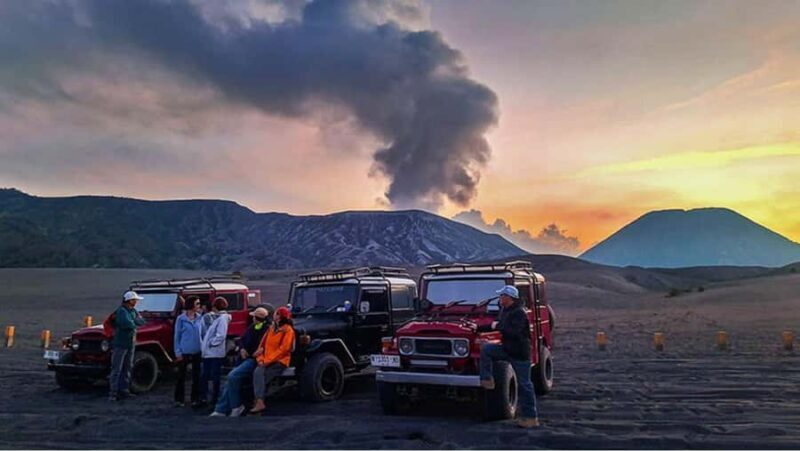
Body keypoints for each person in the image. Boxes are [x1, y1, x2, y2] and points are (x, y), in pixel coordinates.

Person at [479, 285, 539, 428]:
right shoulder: (505, 310)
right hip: (507, 349)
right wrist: (478, 328)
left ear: (509, 298)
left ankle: (531, 418)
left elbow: (513, 332)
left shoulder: (519, 313)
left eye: (502, 296)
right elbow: (498, 325)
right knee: (486, 349)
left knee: (525, 385)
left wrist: (497, 326)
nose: (499, 298)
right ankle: (487, 379)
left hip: (519, 353)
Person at [209, 304, 274, 417]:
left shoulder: (267, 330)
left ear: (256, 318)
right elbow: (242, 339)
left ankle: (234, 406)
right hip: (246, 358)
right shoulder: (252, 327)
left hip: (254, 360)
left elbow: (265, 346)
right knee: (231, 380)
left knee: (232, 376)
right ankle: (222, 409)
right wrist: (243, 348)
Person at [250, 306, 295, 414]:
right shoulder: (271, 329)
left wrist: (266, 361)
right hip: (266, 360)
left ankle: (258, 401)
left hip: (280, 361)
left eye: (275, 313)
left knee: (262, 377)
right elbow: (262, 347)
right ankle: (259, 401)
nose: (273, 315)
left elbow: (283, 350)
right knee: (258, 373)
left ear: (279, 317)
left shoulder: (288, 331)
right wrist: (260, 359)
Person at [109, 290, 147, 402]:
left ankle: (124, 390)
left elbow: (141, 322)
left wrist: (134, 322)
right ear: (130, 300)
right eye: (135, 300)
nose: (136, 302)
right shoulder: (122, 311)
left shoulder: (131, 311)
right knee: (117, 368)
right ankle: (114, 392)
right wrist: (134, 322)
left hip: (129, 343)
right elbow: (127, 324)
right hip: (121, 343)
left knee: (127, 367)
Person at [199, 297, 231, 406]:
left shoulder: (221, 318)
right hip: (212, 352)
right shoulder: (221, 318)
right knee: (209, 376)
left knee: (212, 376)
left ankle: (213, 398)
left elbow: (221, 335)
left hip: (214, 352)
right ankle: (209, 397)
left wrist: (211, 343)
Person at [173, 295, 204, 407]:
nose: (199, 306)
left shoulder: (200, 318)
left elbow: (203, 334)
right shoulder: (181, 319)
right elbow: (177, 336)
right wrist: (178, 352)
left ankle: (195, 398)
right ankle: (179, 399)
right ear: (191, 305)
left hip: (197, 351)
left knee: (197, 376)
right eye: (197, 304)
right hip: (184, 351)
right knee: (181, 376)